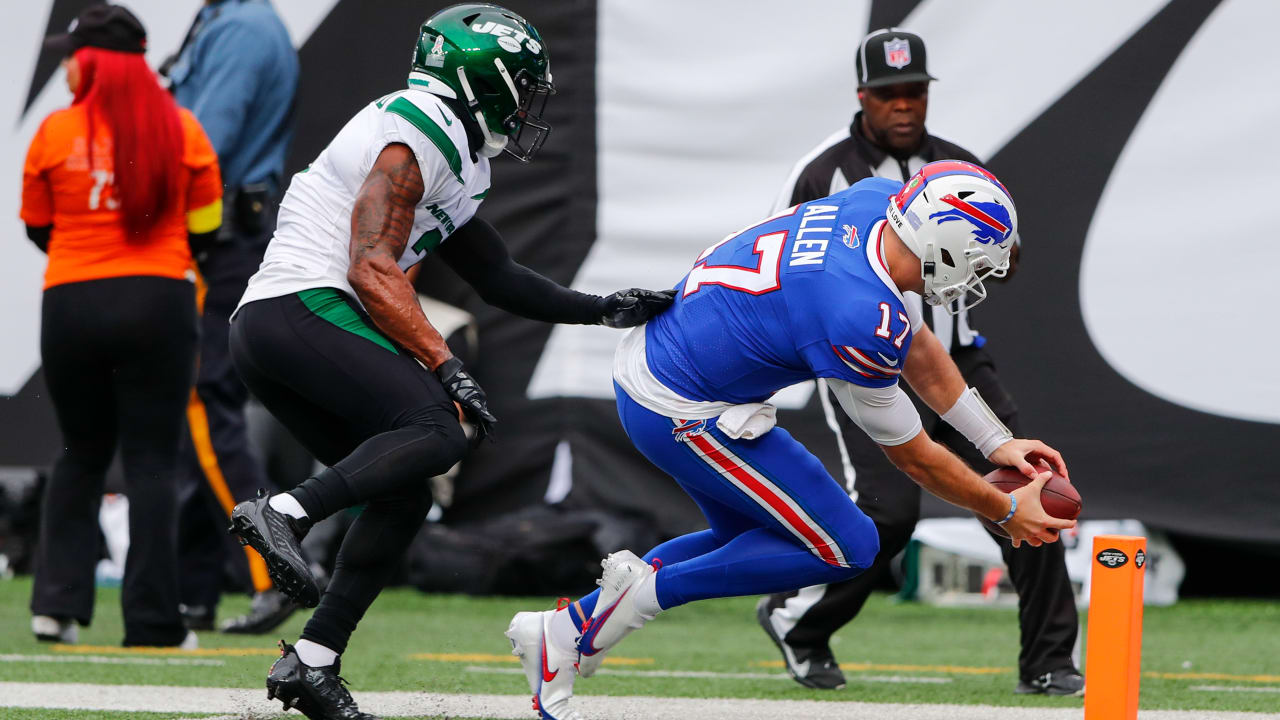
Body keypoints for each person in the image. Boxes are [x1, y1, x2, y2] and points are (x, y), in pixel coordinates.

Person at [224, 5, 673, 718]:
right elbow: (371, 265)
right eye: (523, 83)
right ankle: (283, 511)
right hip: (301, 306)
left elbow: (499, 276)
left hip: (280, 324)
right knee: (439, 426)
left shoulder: (456, 152)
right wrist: (444, 364)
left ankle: (312, 662)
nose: (529, 101)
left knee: (404, 494)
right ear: (482, 78)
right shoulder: (420, 128)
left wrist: (602, 307)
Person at [506, 161, 1077, 720]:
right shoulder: (857, 314)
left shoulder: (877, 204)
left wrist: (995, 441)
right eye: (976, 260)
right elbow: (915, 458)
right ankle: (615, 610)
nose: (977, 277)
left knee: (749, 538)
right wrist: (1004, 509)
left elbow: (922, 350)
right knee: (847, 546)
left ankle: (566, 631)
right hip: (679, 404)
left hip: (675, 364)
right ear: (941, 242)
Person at [758, 28, 1084, 695]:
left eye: (913, 92)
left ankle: (1049, 660)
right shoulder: (823, 173)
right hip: (867, 359)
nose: (902, 106)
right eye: (888, 94)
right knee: (889, 514)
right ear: (862, 97)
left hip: (954, 355)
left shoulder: (960, 165)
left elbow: (1006, 248)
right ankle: (799, 620)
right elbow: (783, 261)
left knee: (1032, 488)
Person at [21, 3, 222, 648]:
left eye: (72, 54)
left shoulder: (54, 132)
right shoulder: (184, 131)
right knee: (153, 463)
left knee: (81, 451)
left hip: (72, 302)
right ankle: (156, 623)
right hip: (158, 302)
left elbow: (37, 227)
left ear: (94, 62)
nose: (65, 64)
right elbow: (206, 230)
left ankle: (54, 607)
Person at [163, 0, 302, 636]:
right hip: (229, 232)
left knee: (206, 403)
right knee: (205, 414)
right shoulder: (239, 21)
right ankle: (191, 590)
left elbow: (200, 146)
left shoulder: (242, 27)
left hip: (216, 239)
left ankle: (274, 571)